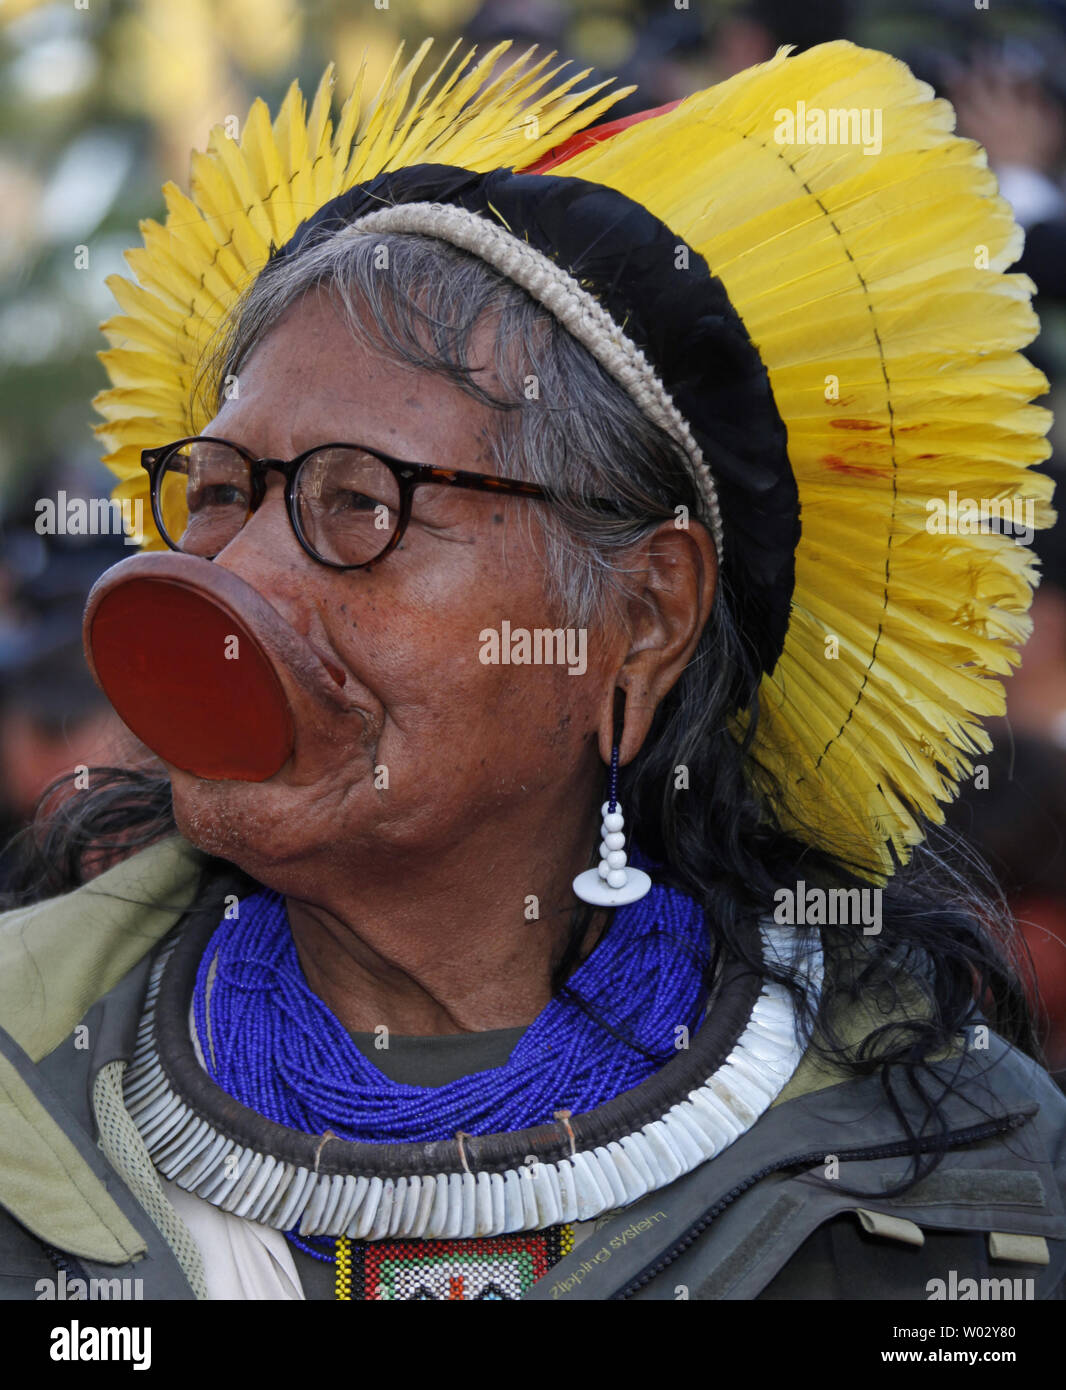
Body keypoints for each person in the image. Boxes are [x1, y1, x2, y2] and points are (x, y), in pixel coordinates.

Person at [1, 37, 1063, 1302]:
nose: (240, 582)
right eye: (222, 491)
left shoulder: (949, 1177)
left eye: (360, 504)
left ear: (643, 618)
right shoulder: (30, 1071)